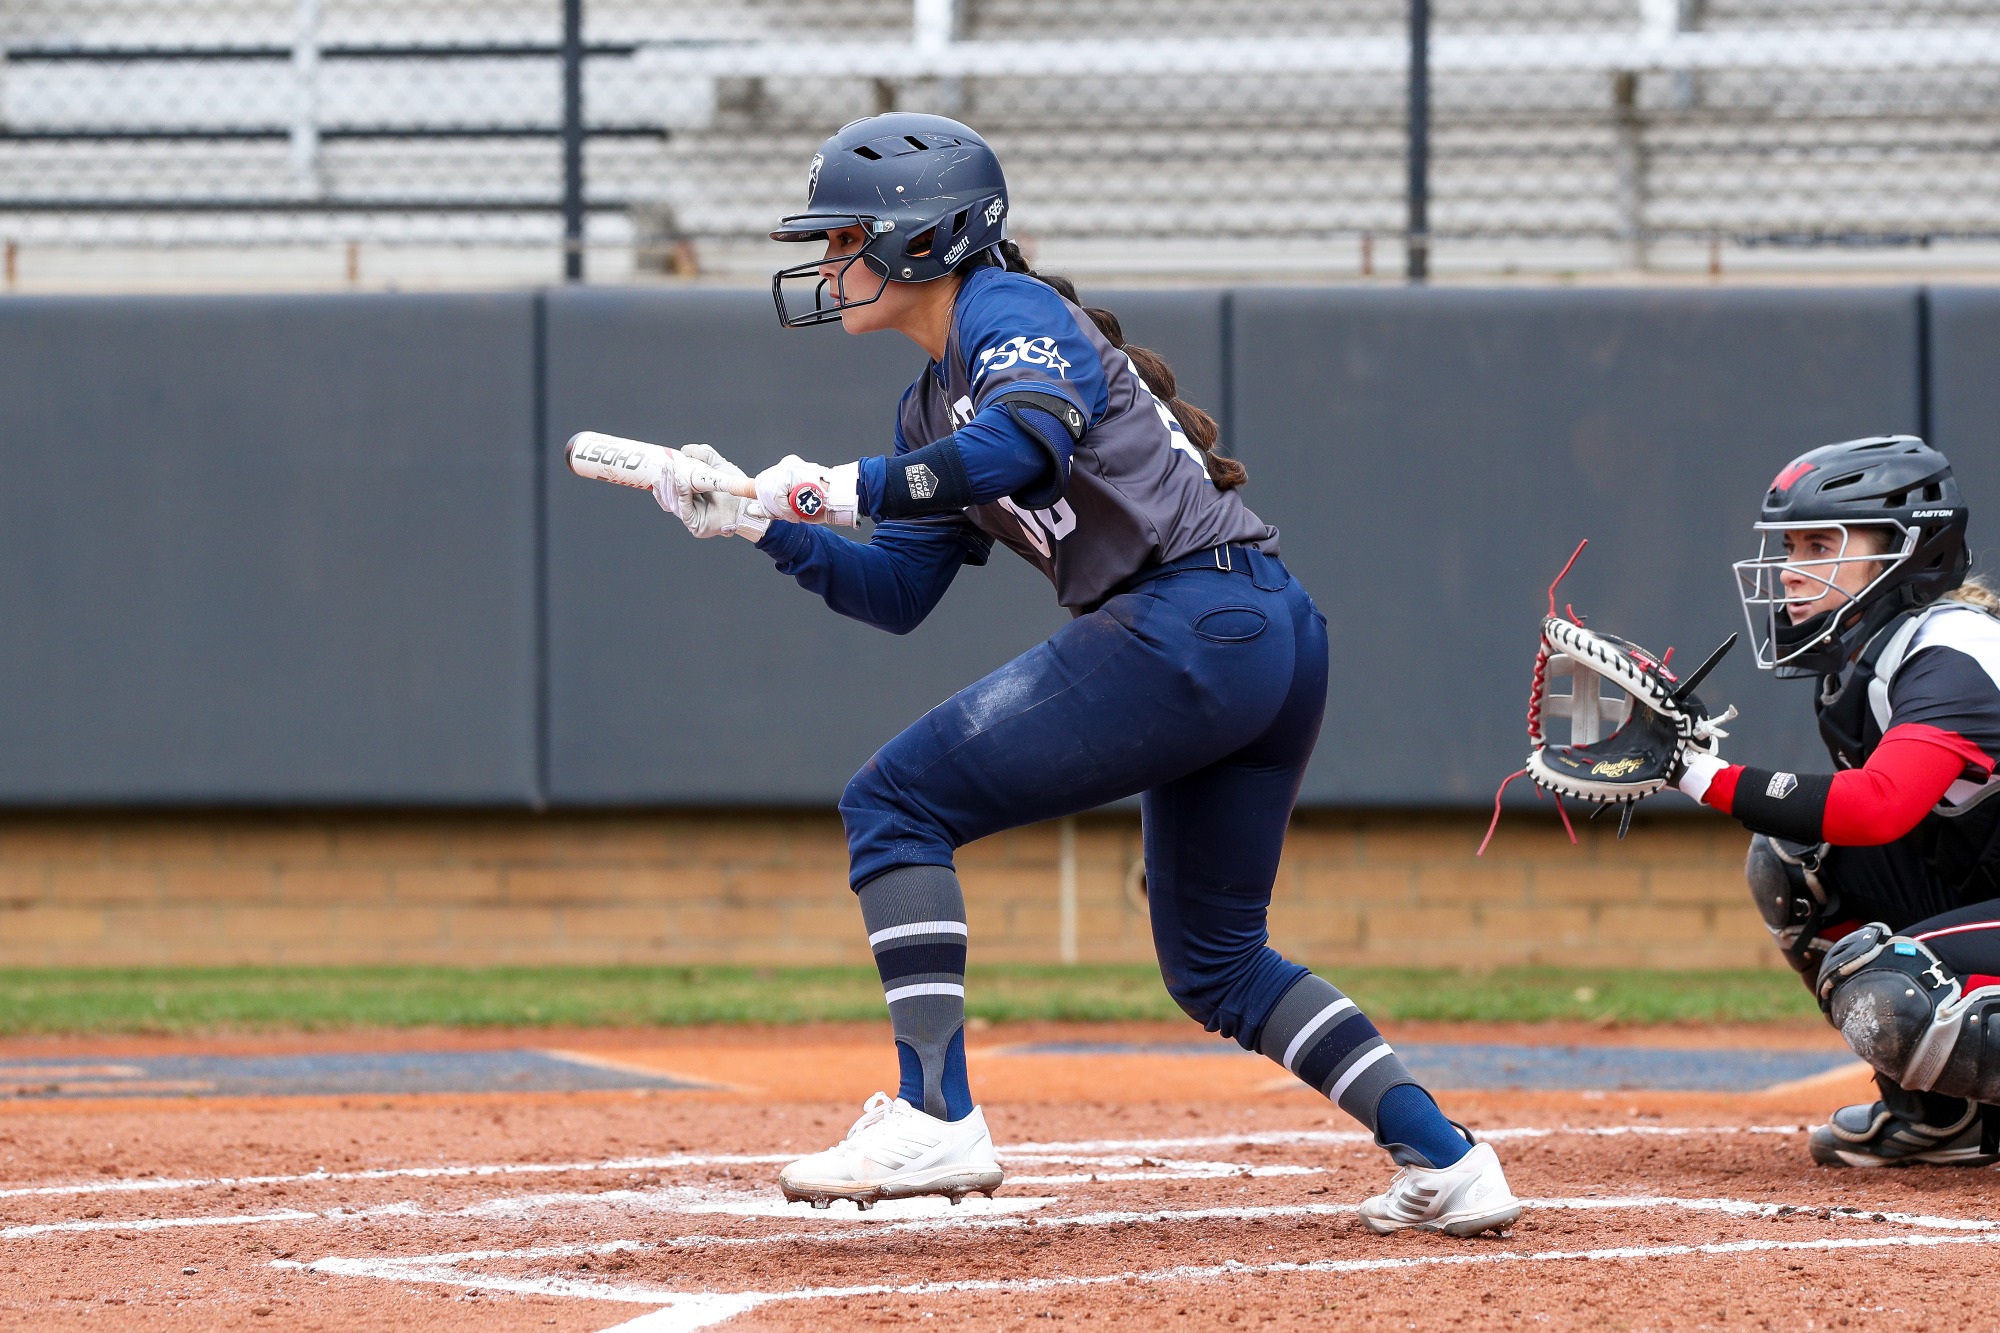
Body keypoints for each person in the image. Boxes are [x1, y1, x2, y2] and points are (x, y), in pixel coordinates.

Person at [652, 112, 1522, 1236]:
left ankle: (935, 1114)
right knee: (1214, 962)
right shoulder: (925, 401)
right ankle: (1448, 1159)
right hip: (1253, 629)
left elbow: (1020, 444)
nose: (827, 261)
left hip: (1192, 619)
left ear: (926, 237)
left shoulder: (1007, 310)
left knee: (892, 800)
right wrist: (759, 528)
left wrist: (835, 487)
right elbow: (896, 594)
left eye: (845, 234)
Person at [1677, 434, 2000, 1165]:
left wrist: (1695, 772)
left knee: (1892, 989)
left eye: (1819, 545)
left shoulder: (1955, 649)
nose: (1791, 572)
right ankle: (1946, 1119)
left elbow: (1880, 804)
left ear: (1907, 549)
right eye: (1789, 547)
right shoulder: (1869, 662)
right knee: (1798, 859)